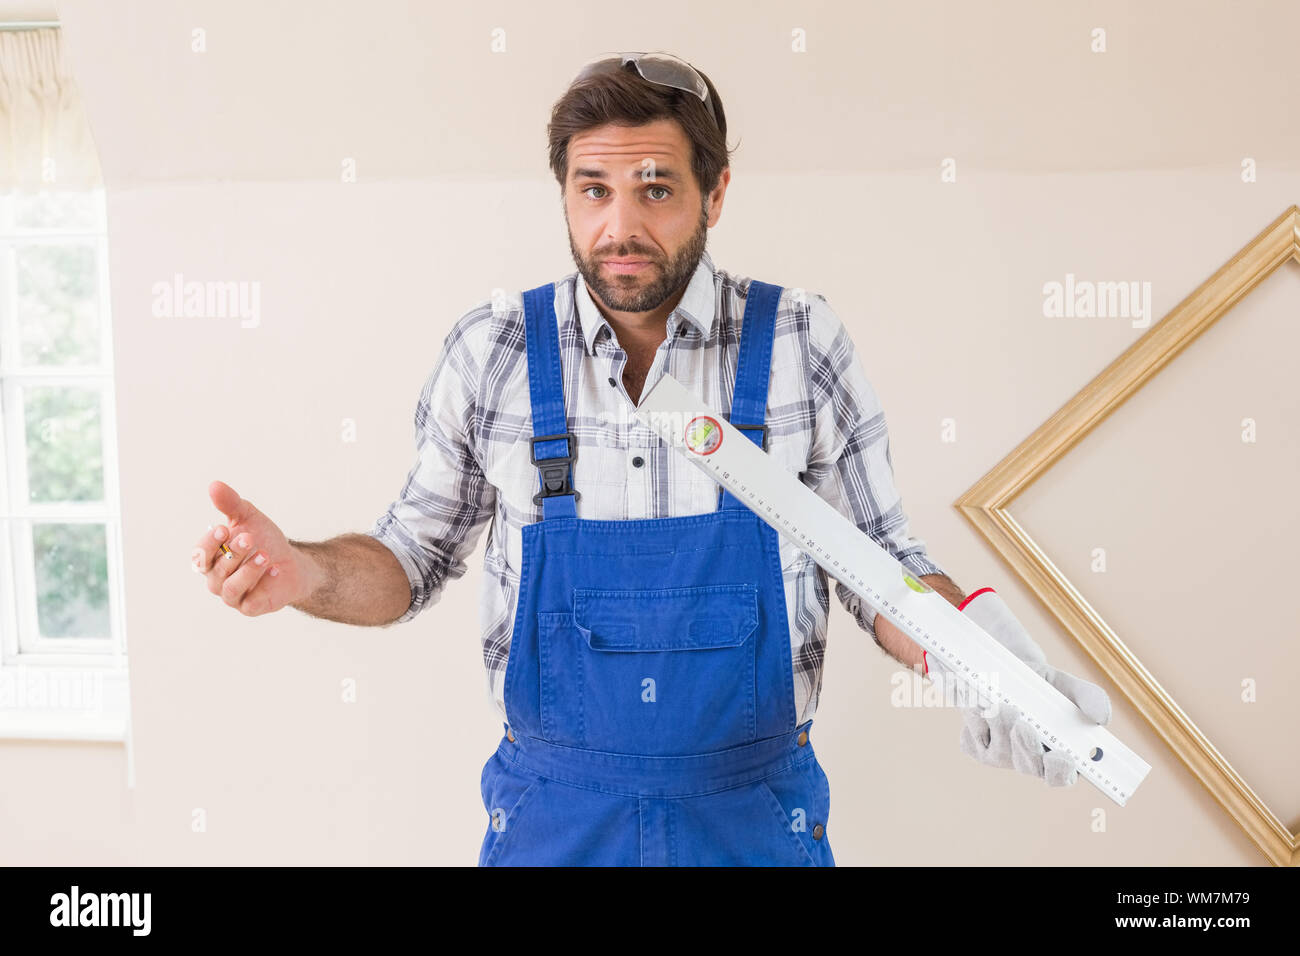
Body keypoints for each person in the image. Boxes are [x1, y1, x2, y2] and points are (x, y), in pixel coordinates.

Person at [190, 52, 1112, 866]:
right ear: (563, 194)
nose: (620, 225)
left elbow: (879, 572)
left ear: (714, 194)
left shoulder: (798, 340)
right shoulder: (497, 351)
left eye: (655, 187)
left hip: (754, 822)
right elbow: (409, 561)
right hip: (554, 824)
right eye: (593, 189)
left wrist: (985, 665)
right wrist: (302, 571)